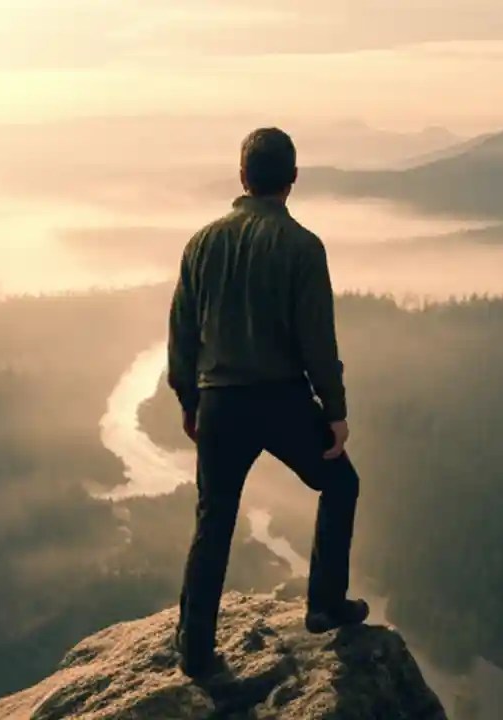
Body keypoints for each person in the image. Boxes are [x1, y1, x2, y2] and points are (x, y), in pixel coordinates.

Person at [168, 127, 368, 678]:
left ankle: (195, 648)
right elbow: (317, 342)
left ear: (242, 177)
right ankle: (325, 606)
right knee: (341, 484)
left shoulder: (201, 243)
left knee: (214, 519)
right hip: (281, 400)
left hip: (220, 402)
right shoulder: (303, 247)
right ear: (293, 180)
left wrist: (189, 398)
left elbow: (182, 333)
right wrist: (334, 412)